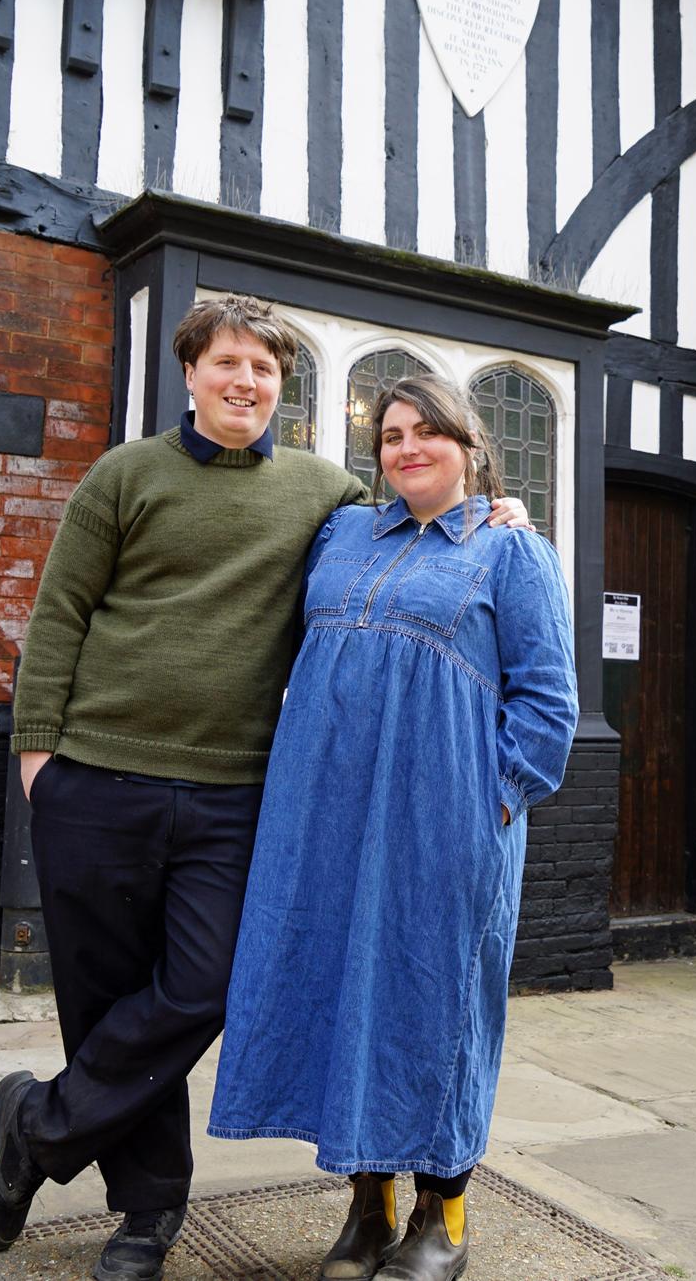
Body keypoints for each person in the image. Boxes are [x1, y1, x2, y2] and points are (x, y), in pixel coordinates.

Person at [0, 296, 528, 1281]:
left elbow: (422, 531)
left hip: (236, 793)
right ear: (190, 372)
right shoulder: (123, 475)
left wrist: (498, 509)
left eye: (264, 369)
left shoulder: (321, 495)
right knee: (104, 1000)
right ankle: (146, 1213)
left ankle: (38, 1126)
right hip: (97, 775)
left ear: (282, 385)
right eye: (226, 362)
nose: (245, 381)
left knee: (204, 985)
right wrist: (37, 756)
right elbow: (59, 612)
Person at [207, 373, 579, 1281]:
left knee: (436, 1001)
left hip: (443, 822)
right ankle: (367, 1209)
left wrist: (489, 802)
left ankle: (442, 1216)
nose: (409, 448)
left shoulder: (510, 552)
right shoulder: (340, 530)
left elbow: (548, 702)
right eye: (392, 435)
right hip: (326, 814)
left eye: (430, 432)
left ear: (471, 445)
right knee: (342, 990)